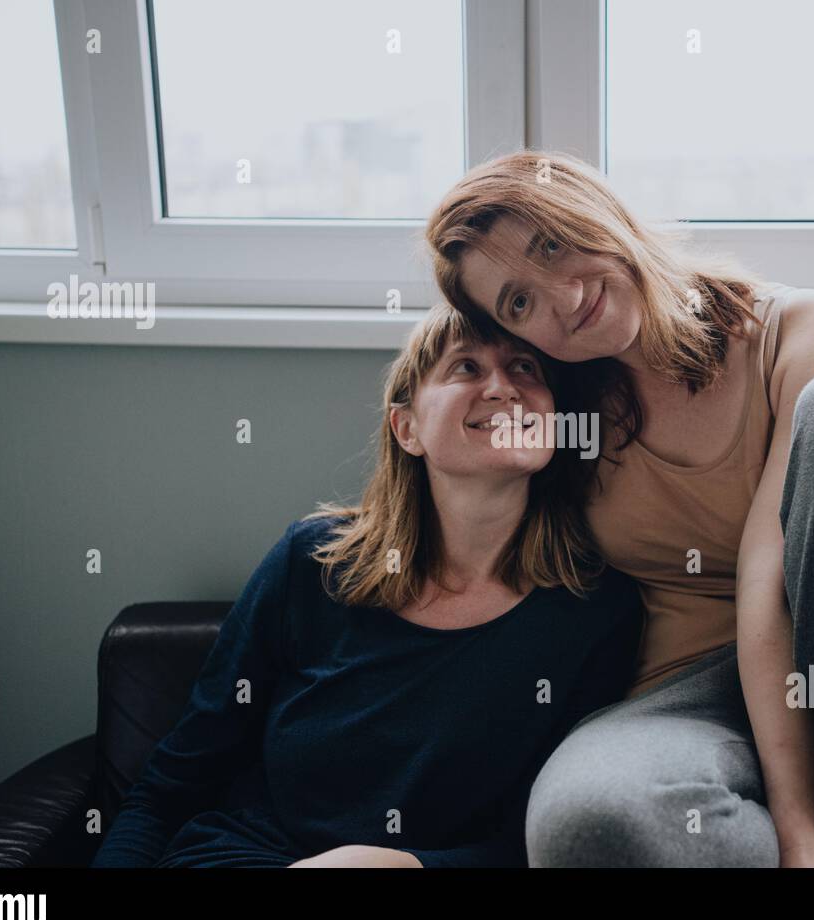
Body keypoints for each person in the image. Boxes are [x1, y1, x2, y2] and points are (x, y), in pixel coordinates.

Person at [424, 149, 814, 867]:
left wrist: (799, 820)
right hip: (698, 707)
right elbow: (464, 491)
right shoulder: (562, 414)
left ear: (595, 209)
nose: (563, 296)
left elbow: (767, 573)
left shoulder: (801, 328)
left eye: (551, 242)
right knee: (586, 823)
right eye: (519, 301)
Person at [90, 302, 643, 867]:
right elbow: (170, 787)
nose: (503, 389)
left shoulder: (594, 609)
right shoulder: (311, 563)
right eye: (466, 368)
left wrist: (407, 866)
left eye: (525, 368)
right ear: (408, 429)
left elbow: (546, 840)